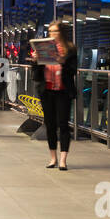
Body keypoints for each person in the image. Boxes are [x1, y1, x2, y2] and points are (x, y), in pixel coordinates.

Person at [31, 21, 76, 170]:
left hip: (63, 91)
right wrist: (35, 61)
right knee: (50, 124)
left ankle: (63, 159)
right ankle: (53, 158)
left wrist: (62, 62)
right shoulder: (45, 49)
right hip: (47, 91)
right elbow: (36, 76)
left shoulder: (69, 49)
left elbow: (73, 70)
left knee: (63, 124)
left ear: (61, 32)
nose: (52, 34)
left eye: (55, 31)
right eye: (50, 31)